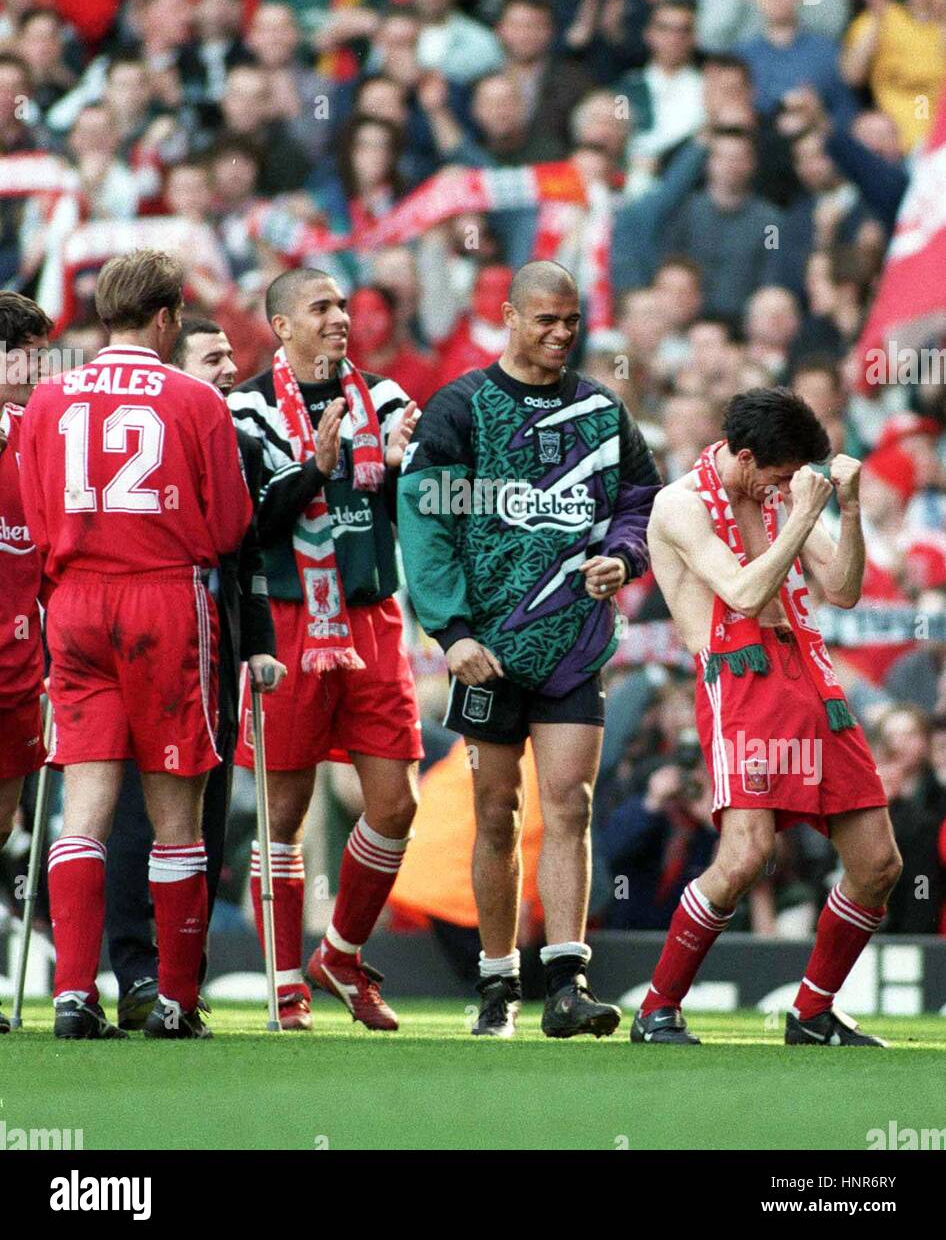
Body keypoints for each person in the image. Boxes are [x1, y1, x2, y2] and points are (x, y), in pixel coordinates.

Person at [397, 260, 661, 1038]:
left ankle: (568, 982)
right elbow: (425, 524)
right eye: (545, 320)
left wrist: (626, 551)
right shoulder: (462, 409)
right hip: (489, 650)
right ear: (510, 316)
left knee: (571, 804)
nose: (560, 335)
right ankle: (495, 983)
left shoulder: (602, 413)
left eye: (571, 322)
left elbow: (641, 500)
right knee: (494, 809)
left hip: (575, 642)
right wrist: (452, 632)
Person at [18, 250, 252, 1040]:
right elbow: (226, 530)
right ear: (164, 319)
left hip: (75, 602)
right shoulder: (194, 398)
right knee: (175, 810)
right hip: (163, 598)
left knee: (82, 811)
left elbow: (39, 514)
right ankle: (176, 1001)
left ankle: (73, 994)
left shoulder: (49, 398)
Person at [633, 388, 902, 1047]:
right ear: (748, 458)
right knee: (747, 854)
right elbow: (746, 593)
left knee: (879, 864)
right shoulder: (680, 504)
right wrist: (801, 519)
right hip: (740, 684)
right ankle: (656, 1009)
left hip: (812, 678)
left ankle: (811, 1015)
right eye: (779, 477)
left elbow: (840, 589)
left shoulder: (781, 495)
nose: (785, 487)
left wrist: (850, 508)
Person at [228, 268, 422, 1031]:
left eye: (342, 306)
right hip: (285, 621)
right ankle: (283, 986)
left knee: (396, 802)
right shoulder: (242, 408)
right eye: (321, 307)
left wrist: (413, 463)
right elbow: (250, 528)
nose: (340, 318)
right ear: (281, 325)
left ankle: (339, 950)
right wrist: (316, 465)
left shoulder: (391, 401)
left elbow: (419, 494)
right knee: (284, 809)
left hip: (371, 616)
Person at [104, 317, 284, 1031]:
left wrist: (259, 642)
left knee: (202, 814)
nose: (231, 368)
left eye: (233, 356)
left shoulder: (237, 444)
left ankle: (184, 975)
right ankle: (134, 972)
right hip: (141, 635)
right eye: (213, 358)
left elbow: (251, 556)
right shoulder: (157, 433)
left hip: (215, 644)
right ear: (172, 368)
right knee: (131, 813)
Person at [0, 293, 53, 1032]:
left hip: (21, 655)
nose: (44, 367)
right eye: (30, 354)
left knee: (4, 820)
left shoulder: (41, 430)